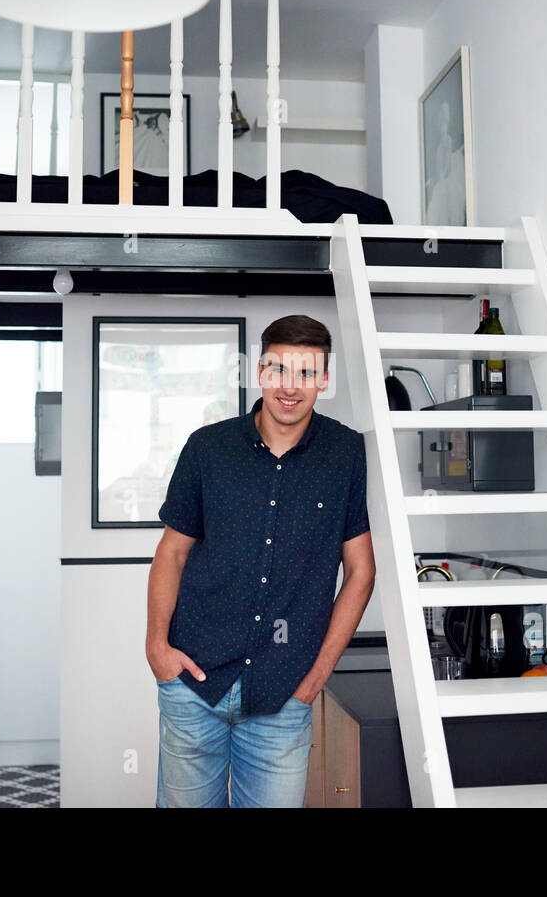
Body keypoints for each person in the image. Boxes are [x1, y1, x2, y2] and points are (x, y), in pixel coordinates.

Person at [145, 314, 375, 807]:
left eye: (306, 372)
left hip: (283, 697)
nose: (290, 386)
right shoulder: (208, 448)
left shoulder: (345, 454)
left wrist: (315, 678)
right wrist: (157, 648)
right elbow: (172, 551)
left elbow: (361, 571)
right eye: (279, 369)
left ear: (324, 379)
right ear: (259, 372)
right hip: (193, 686)